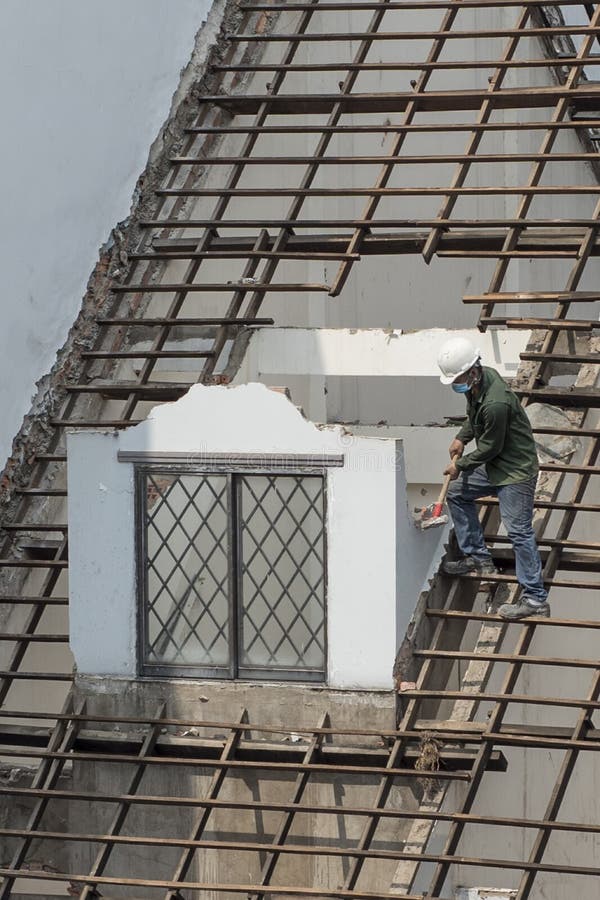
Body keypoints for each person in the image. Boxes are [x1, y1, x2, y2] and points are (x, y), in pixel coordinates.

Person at [437, 336, 549, 620]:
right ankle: (478, 558)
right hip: (497, 464)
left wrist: (460, 464)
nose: (456, 384)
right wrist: (462, 436)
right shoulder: (479, 383)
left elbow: (490, 448)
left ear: (473, 371)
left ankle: (535, 599)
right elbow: (474, 418)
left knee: (518, 531)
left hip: (515, 471)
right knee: (457, 492)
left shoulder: (496, 402)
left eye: (458, 378)